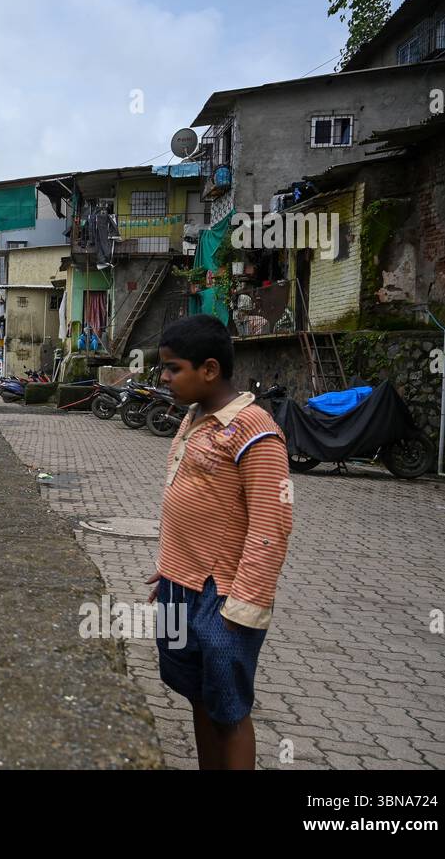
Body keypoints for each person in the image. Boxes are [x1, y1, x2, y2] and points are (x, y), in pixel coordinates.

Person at [145, 314, 292, 770]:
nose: (164, 378)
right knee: (196, 694)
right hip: (178, 583)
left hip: (224, 595)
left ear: (209, 369)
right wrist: (170, 566)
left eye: (173, 369)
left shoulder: (254, 429)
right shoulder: (195, 417)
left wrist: (244, 604)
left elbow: (273, 522)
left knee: (228, 709)